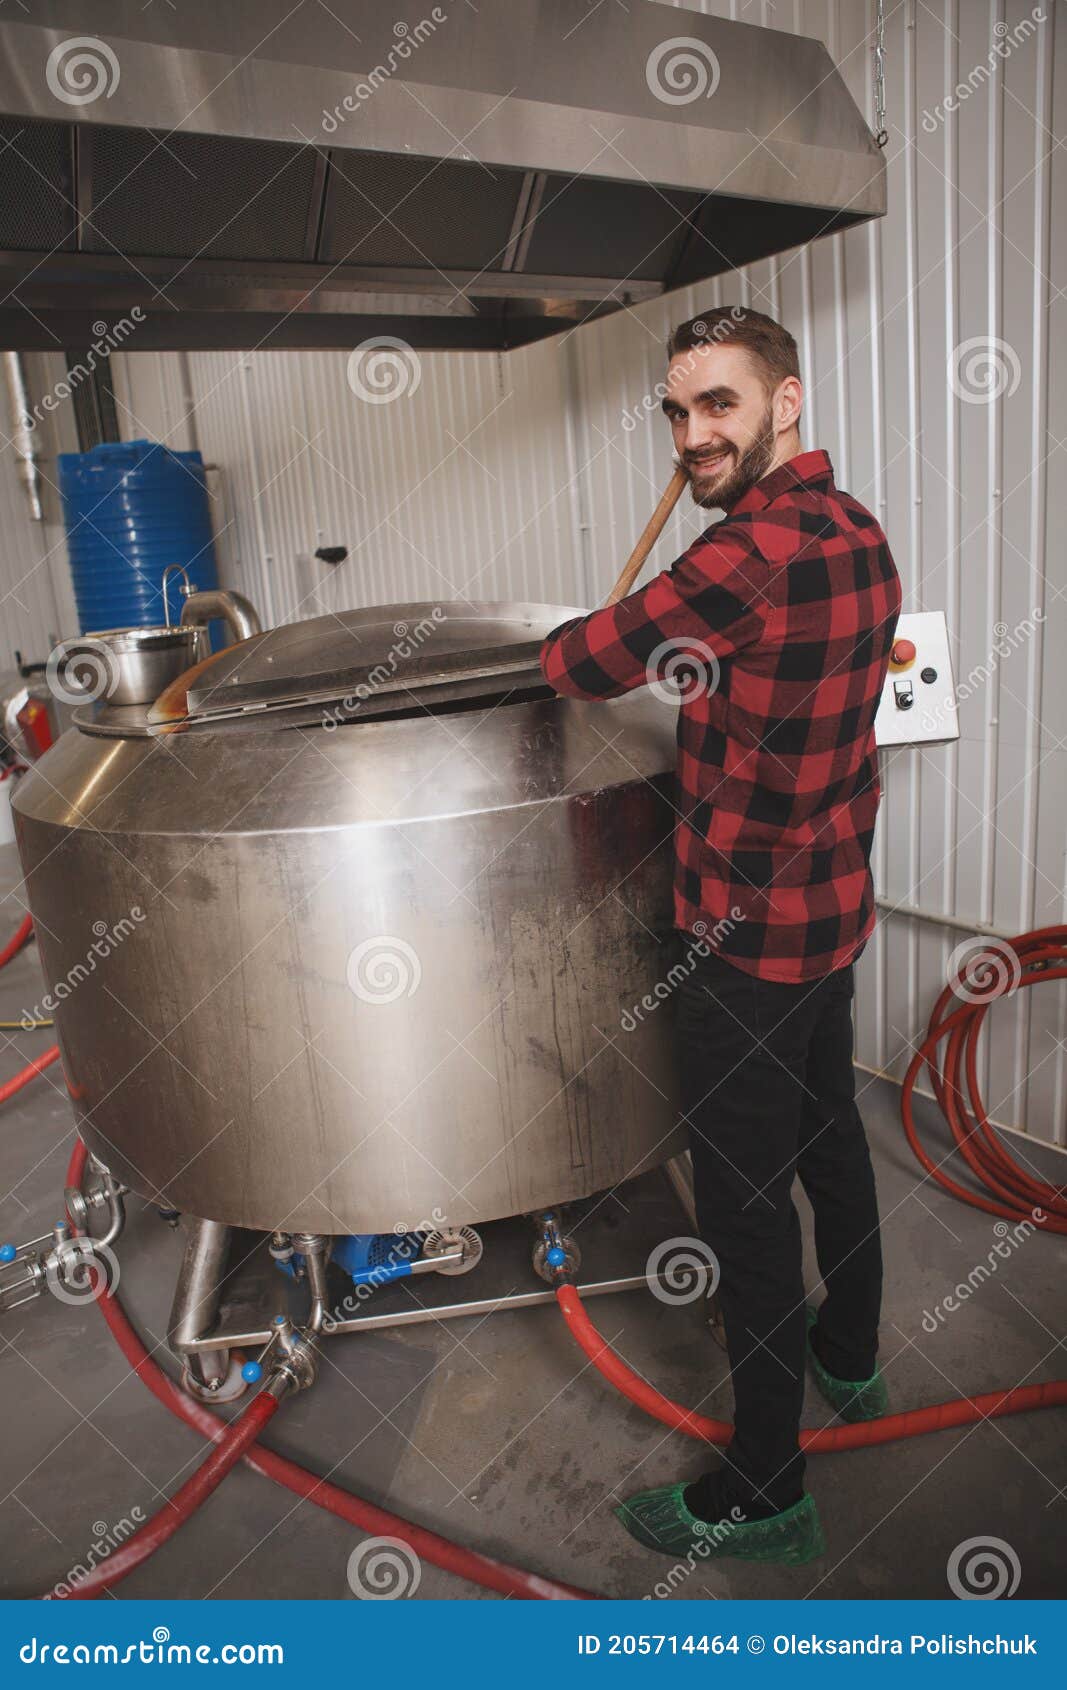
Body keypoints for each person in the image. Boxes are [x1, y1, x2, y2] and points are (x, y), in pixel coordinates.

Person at [538, 306, 902, 1567]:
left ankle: (762, 1483)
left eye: (720, 408)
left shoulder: (735, 560)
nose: (692, 436)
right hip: (830, 910)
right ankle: (849, 1359)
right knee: (827, 1138)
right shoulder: (855, 526)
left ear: (784, 401)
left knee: (742, 1209)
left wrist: (591, 631)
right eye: (677, 413)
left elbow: (580, 661)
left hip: (742, 941)